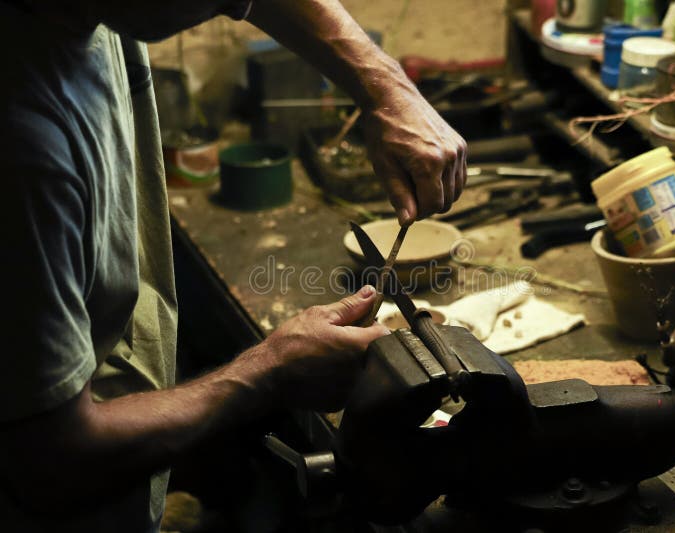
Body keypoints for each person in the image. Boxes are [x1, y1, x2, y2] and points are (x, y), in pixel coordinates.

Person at [0, 0, 467, 530]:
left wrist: (385, 87)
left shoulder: (96, 14)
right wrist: (270, 372)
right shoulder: (22, 150)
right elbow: (47, 462)